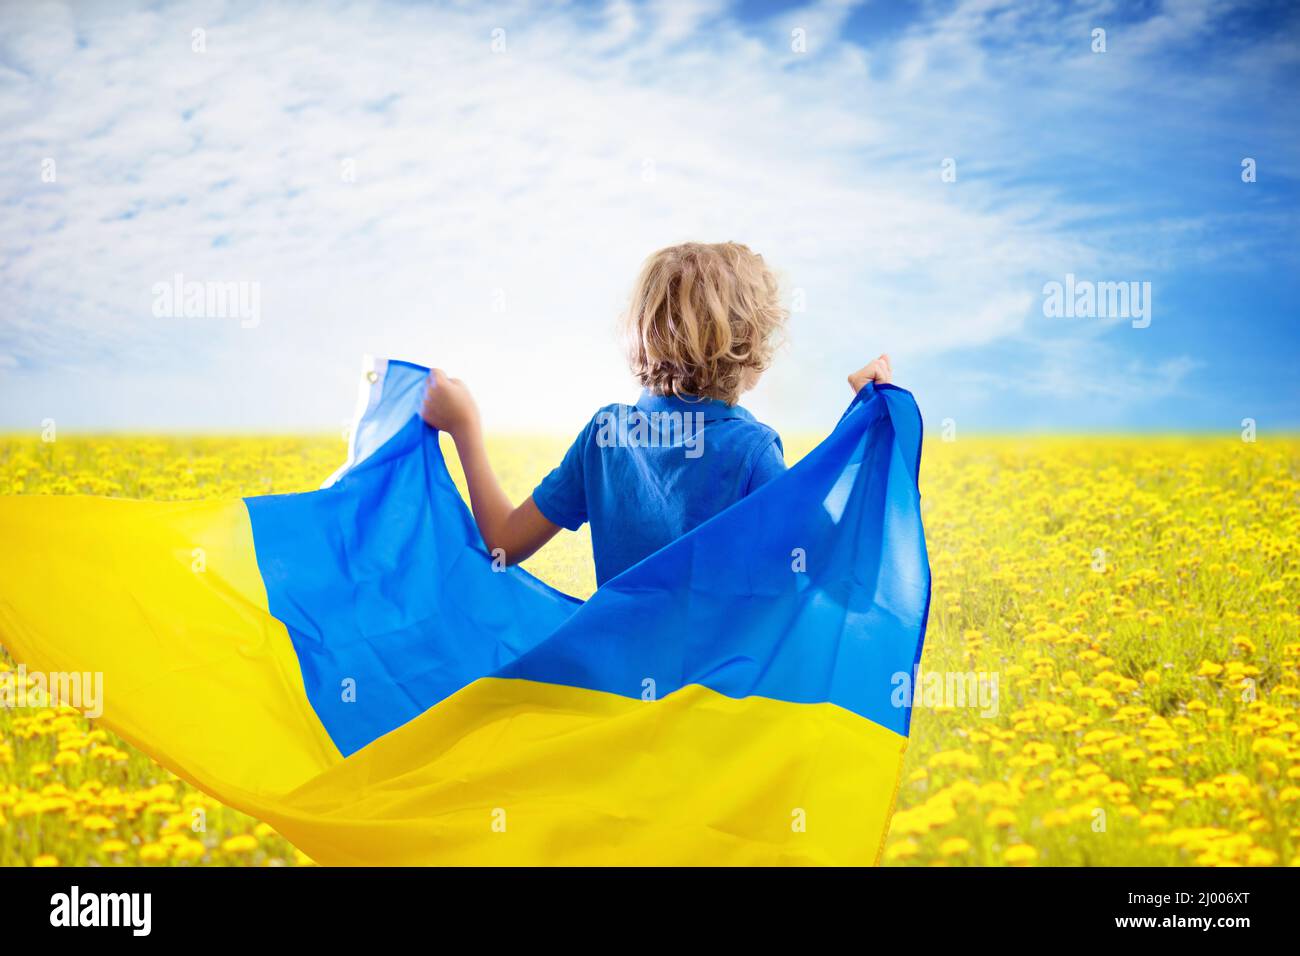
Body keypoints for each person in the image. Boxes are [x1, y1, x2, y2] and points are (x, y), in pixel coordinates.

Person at [420, 241, 892, 586]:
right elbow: (837, 574)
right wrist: (868, 428)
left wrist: (464, 427)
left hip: (617, 682)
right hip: (711, 689)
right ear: (750, 348)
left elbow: (503, 544)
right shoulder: (751, 453)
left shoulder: (605, 436)